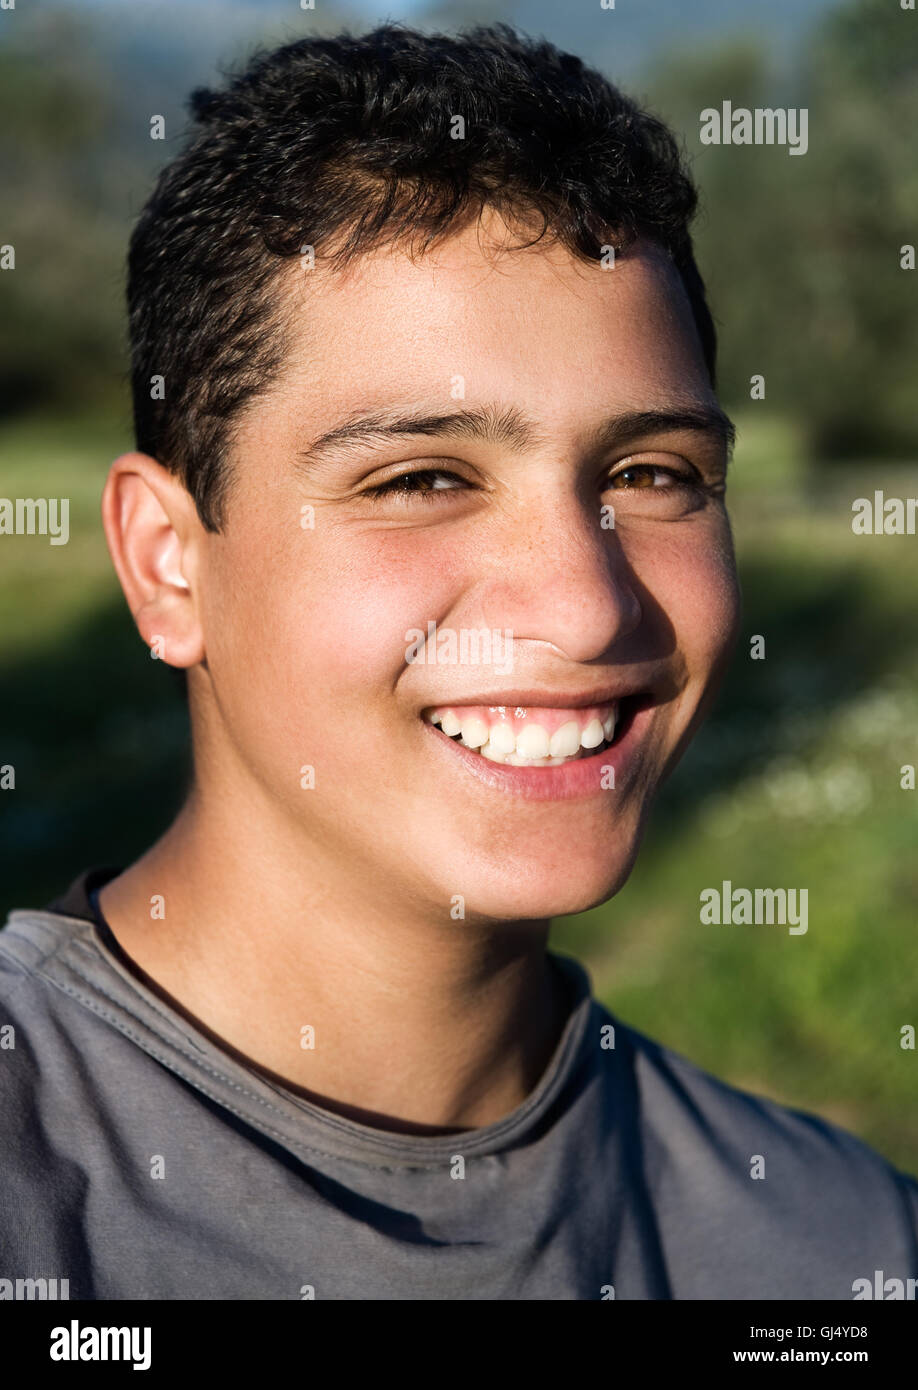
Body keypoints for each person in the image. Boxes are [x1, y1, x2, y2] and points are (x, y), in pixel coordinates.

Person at [1, 23, 915, 1301]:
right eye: (422, 476)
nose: (584, 608)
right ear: (168, 562)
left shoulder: (840, 1248)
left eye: (653, 475)